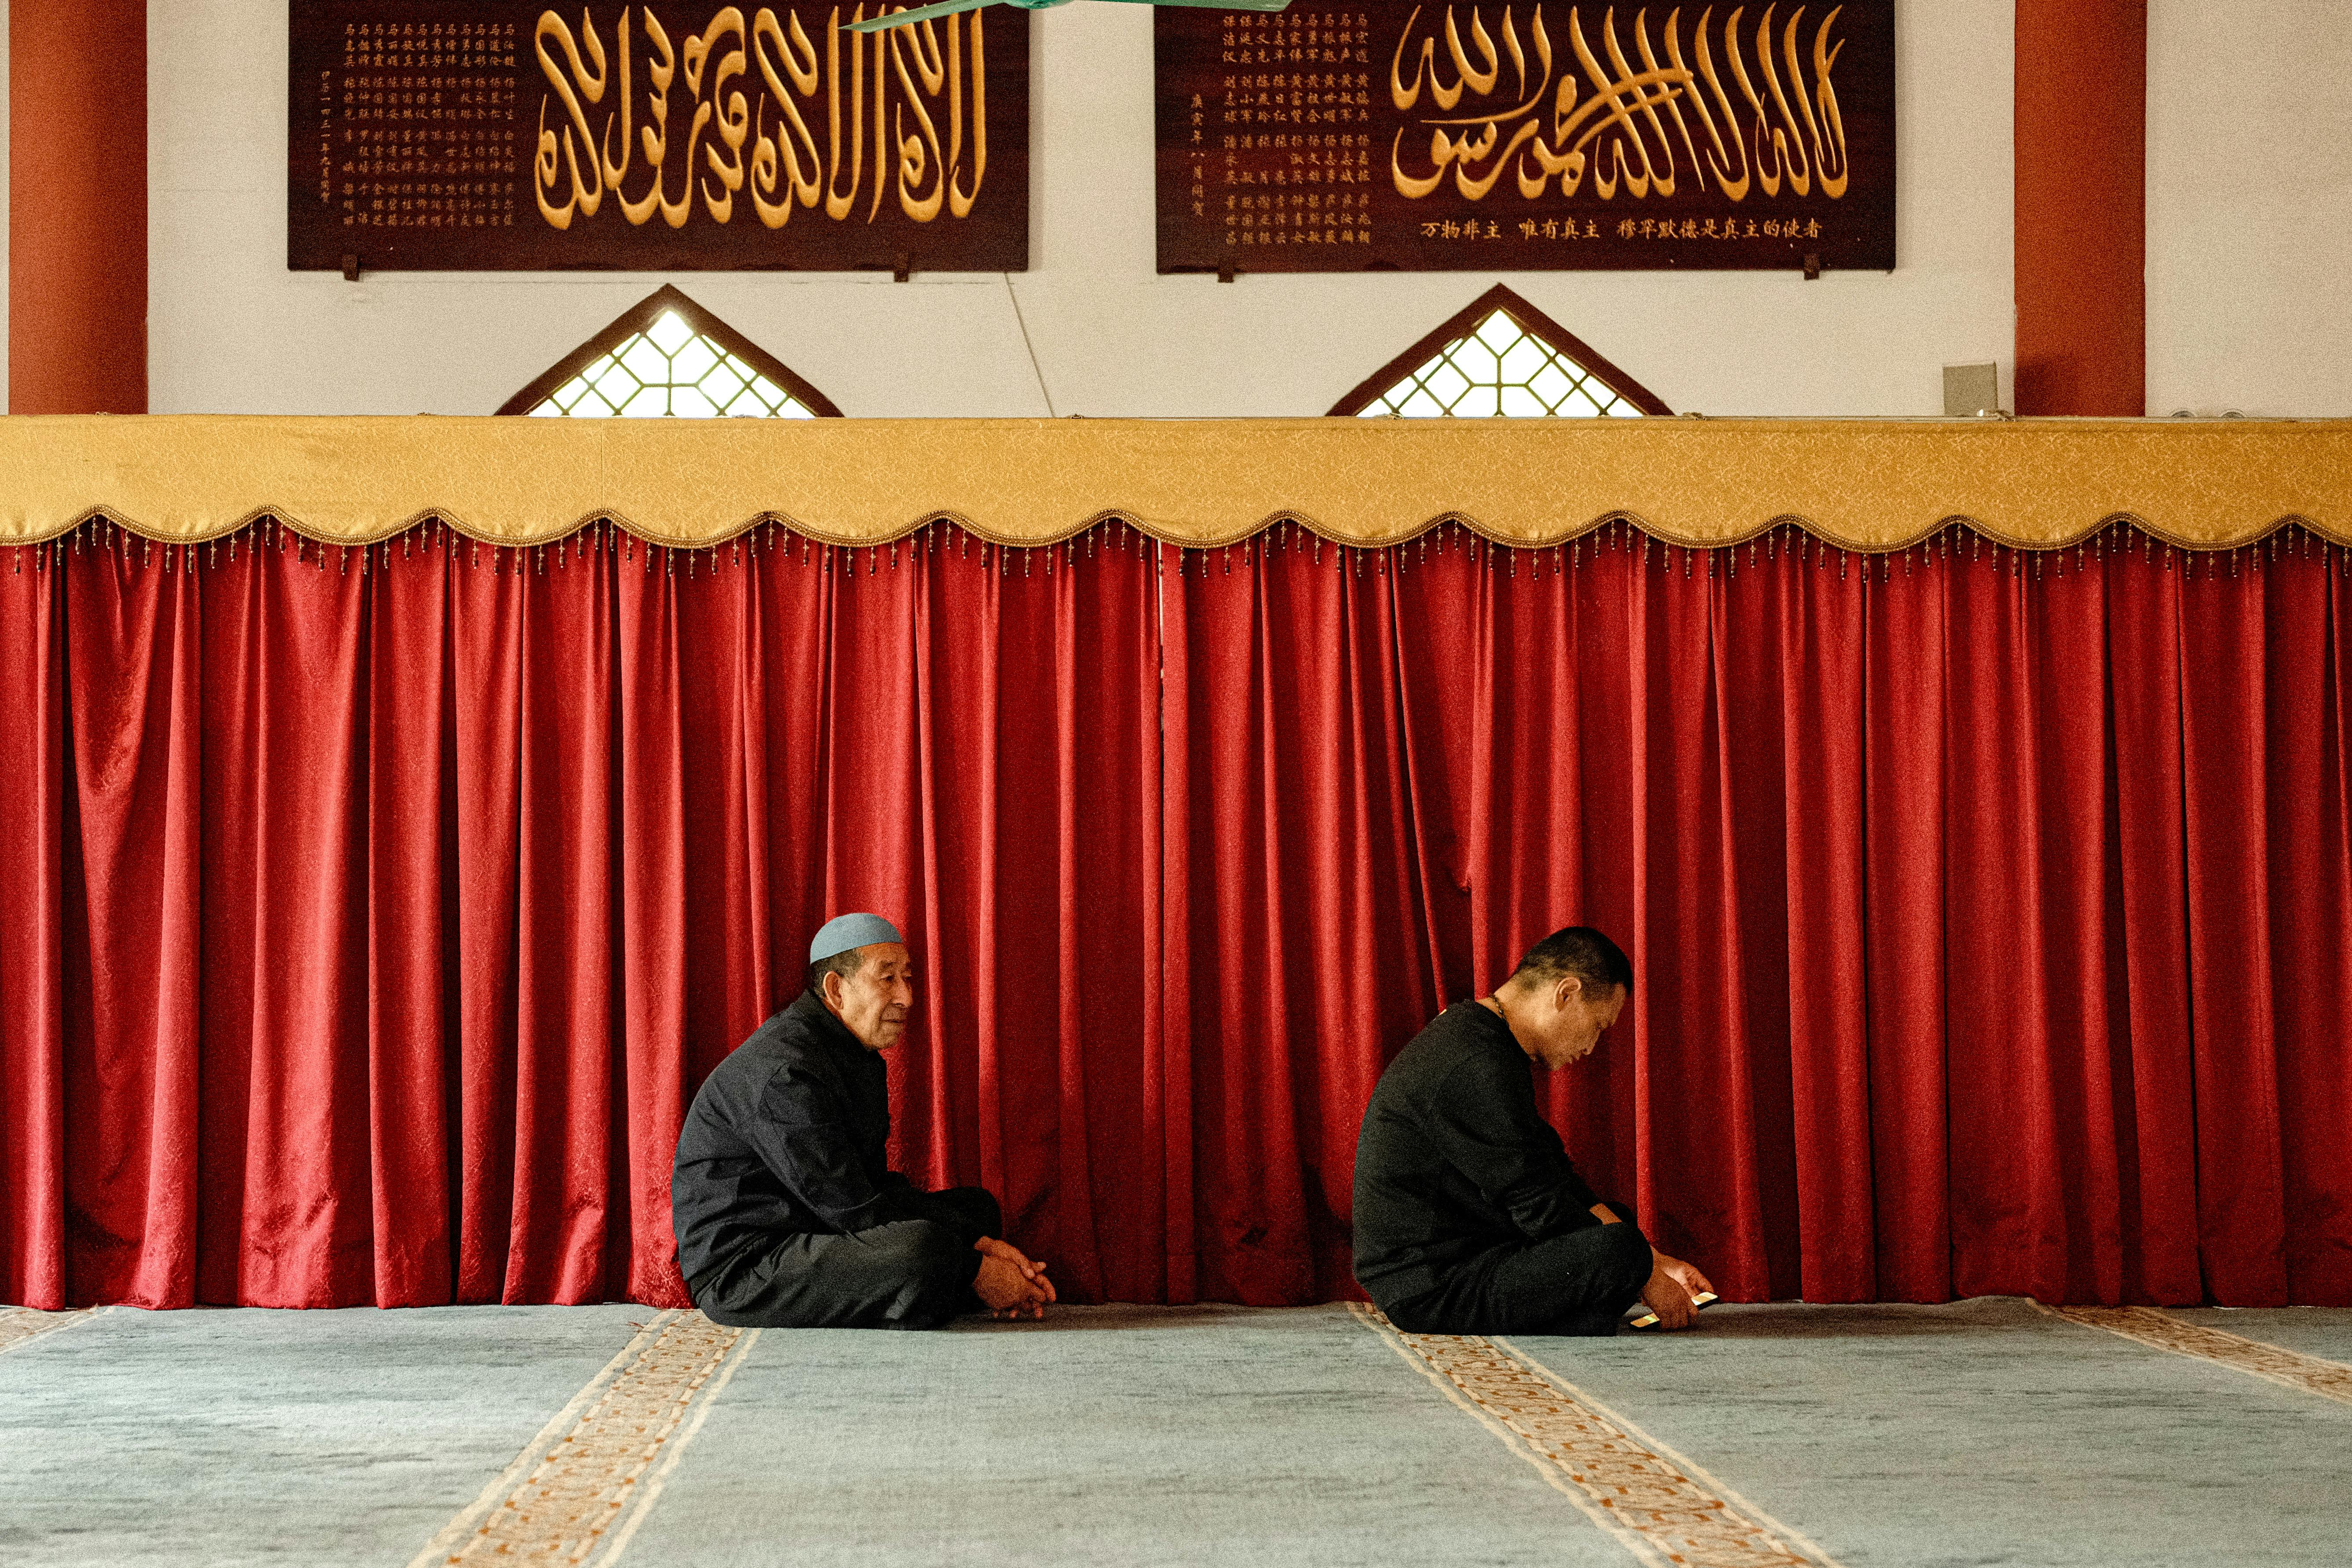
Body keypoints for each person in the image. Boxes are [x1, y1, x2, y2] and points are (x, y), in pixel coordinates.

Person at [671, 913, 1055, 1329]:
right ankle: (946, 1285)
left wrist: (977, 1240)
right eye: (887, 978)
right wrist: (976, 1265)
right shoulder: (785, 1072)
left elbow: (869, 1185)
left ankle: (930, 1289)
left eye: (907, 978)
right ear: (836, 988)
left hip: (819, 1226)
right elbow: (851, 1206)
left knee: (977, 1210)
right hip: (749, 1268)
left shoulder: (855, 1051)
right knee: (925, 1249)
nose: (907, 997)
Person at [1351, 925, 1714, 1335]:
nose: (1590, 1048)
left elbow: (1552, 1174)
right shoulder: (1474, 1062)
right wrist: (1644, 1273)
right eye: (1597, 1025)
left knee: (1621, 1231)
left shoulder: (1484, 1041)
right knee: (1618, 1250)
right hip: (1430, 1284)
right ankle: (1583, 1309)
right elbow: (1538, 1203)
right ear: (1566, 993)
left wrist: (1657, 1260)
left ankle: (1582, 1310)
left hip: (1467, 1254)